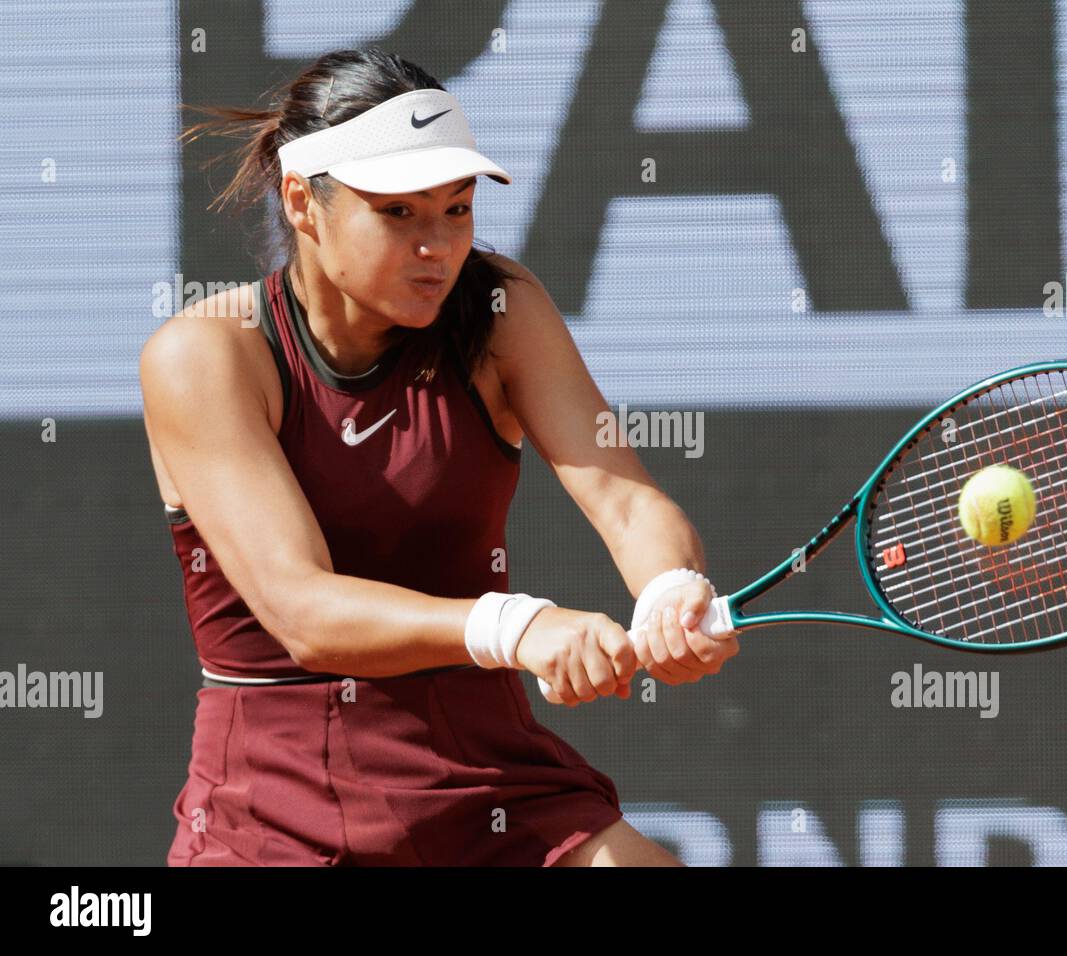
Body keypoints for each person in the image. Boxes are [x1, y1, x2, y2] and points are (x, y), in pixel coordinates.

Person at [142, 48, 739, 867]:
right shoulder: (205, 356)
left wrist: (671, 588)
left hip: (489, 784)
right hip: (272, 814)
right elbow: (303, 613)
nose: (439, 247)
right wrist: (518, 625)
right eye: (398, 214)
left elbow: (628, 502)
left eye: (456, 211)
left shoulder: (501, 310)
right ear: (301, 204)